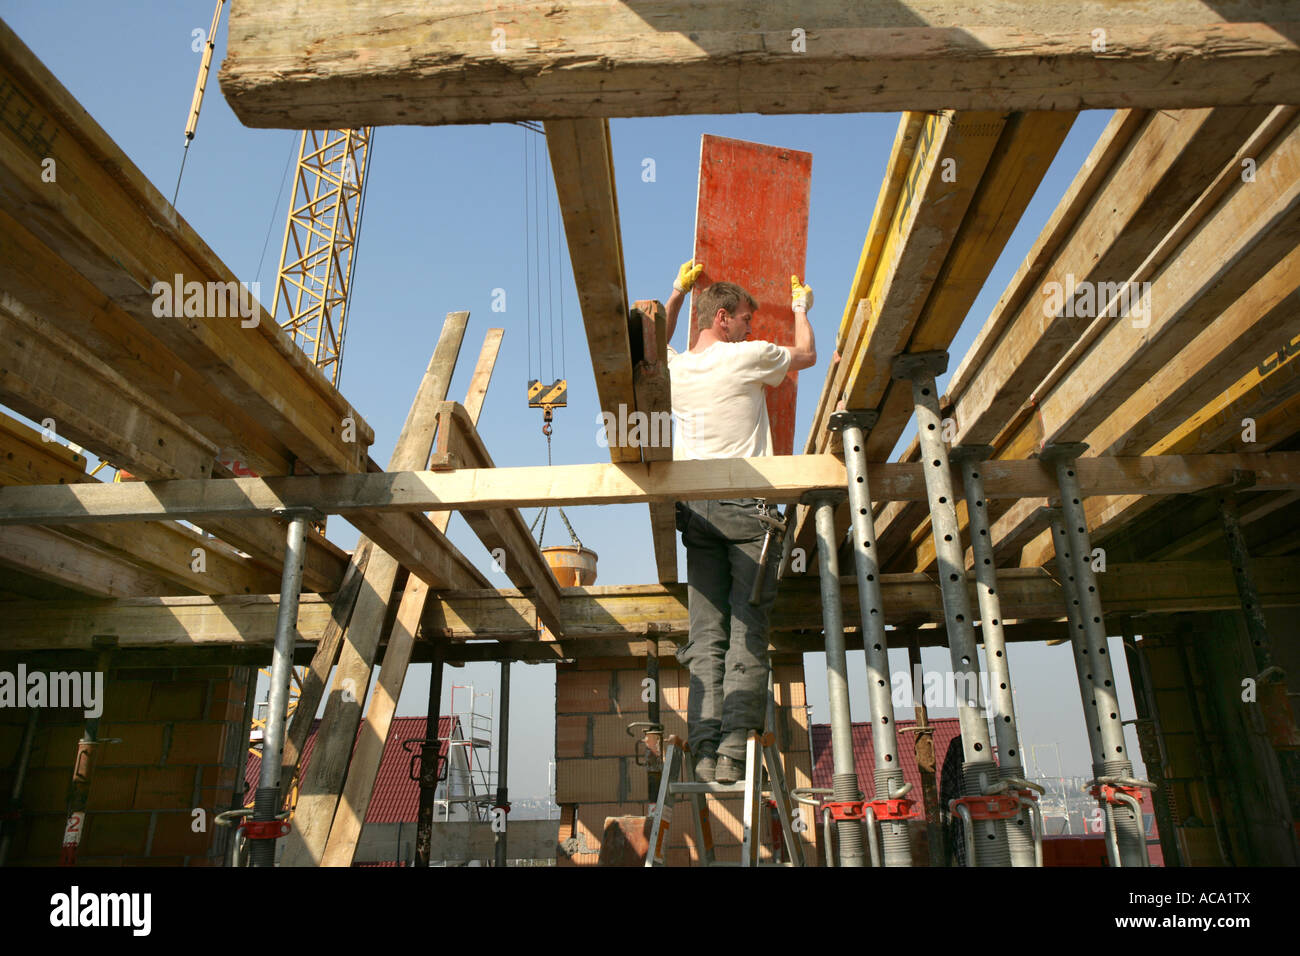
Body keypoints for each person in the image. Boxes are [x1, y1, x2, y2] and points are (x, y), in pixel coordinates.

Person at [663, 259, 817, 783]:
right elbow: (808, 355)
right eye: (747, 320)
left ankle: (703, 752)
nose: (752, 329)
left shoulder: (677, 368)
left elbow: (648, 346)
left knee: (707, 636)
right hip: (746, 510)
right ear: (724, 319)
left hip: (695, 512)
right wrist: (800, 308)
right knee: (747, 628)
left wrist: (677, 293)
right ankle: (733, 751)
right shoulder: (746, 356)